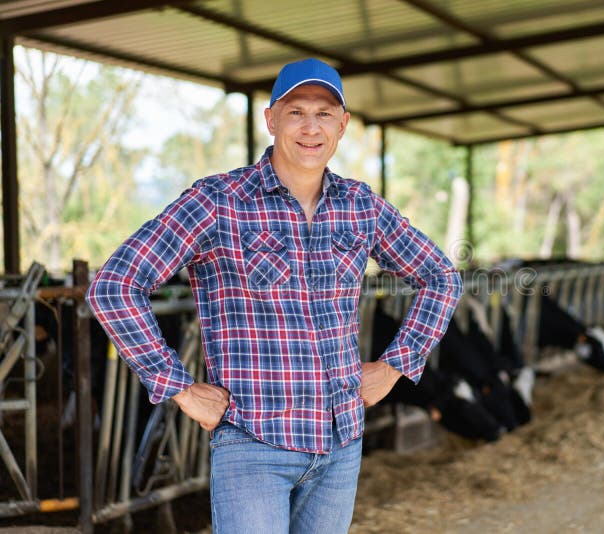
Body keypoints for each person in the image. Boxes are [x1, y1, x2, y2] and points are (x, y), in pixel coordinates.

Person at [85, 58, 463, 533]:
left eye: (325, 114)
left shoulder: (360, 205)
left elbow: (441, 276)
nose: (311, 128)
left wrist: (395, 365)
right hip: (254, 443)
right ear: (271, 119)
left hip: (341, 442)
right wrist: (177, 386)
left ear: (343, 125)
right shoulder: (218, 201)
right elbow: (114, 285)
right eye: (296, 112)